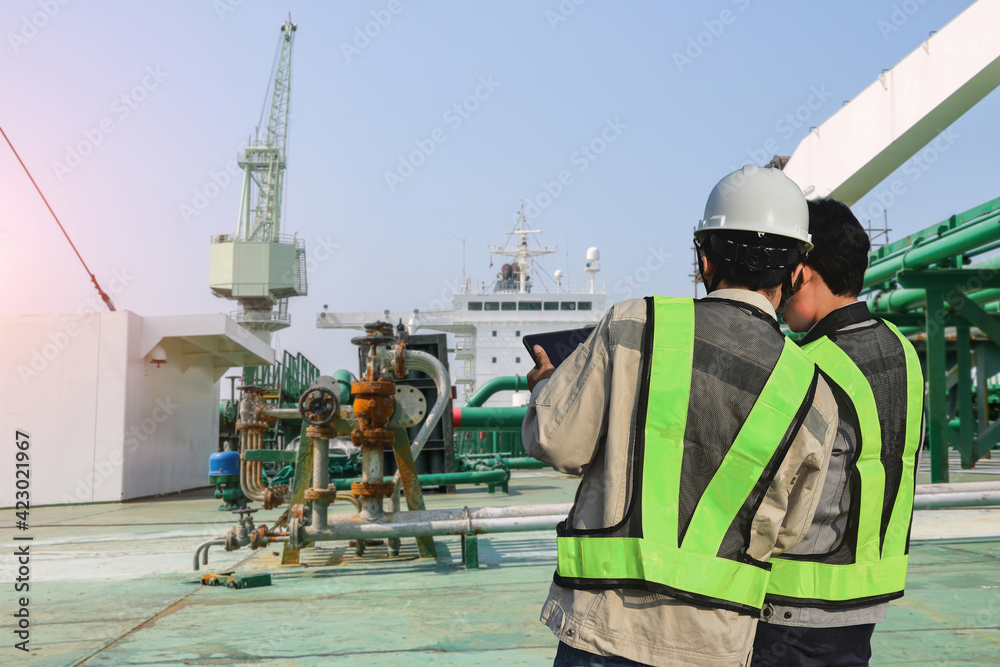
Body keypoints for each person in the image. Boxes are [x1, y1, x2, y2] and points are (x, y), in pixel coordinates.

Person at [522, 165, 840, 667]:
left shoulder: (633, 323)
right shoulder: (814, 392)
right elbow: (789, 531)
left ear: (704, 257)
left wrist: (548, 391)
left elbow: (558, 442)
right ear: (795, 271)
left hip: (603, 630)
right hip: (715, 643)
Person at [751, 198, 924, 667]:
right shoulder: (903, 350)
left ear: (801, 271)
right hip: (865, 600)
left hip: (792, 602)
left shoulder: (806, 366)